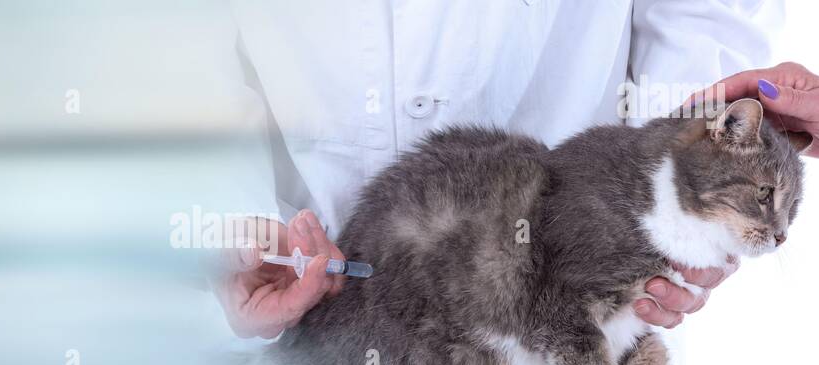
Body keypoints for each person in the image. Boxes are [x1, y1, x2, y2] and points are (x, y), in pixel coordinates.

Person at [215, 1, 783, 338]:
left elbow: (704, 18)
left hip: (562, 339)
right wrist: (230, 222)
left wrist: (681, 196)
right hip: (302, 333)